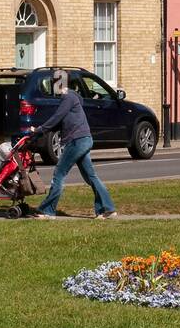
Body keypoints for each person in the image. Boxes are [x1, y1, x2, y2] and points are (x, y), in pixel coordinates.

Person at [31, 71, 117, 219]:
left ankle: (47, 211)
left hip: (76, 141)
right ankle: (107, 209)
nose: (52, 86)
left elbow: (57, 117)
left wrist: (39, 130)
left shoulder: (68, 97)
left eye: (53, 83)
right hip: (83, 139)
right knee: (91, 176)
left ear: (59, 83)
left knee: (59, 174)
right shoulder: (72, 96)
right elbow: (62, 121)